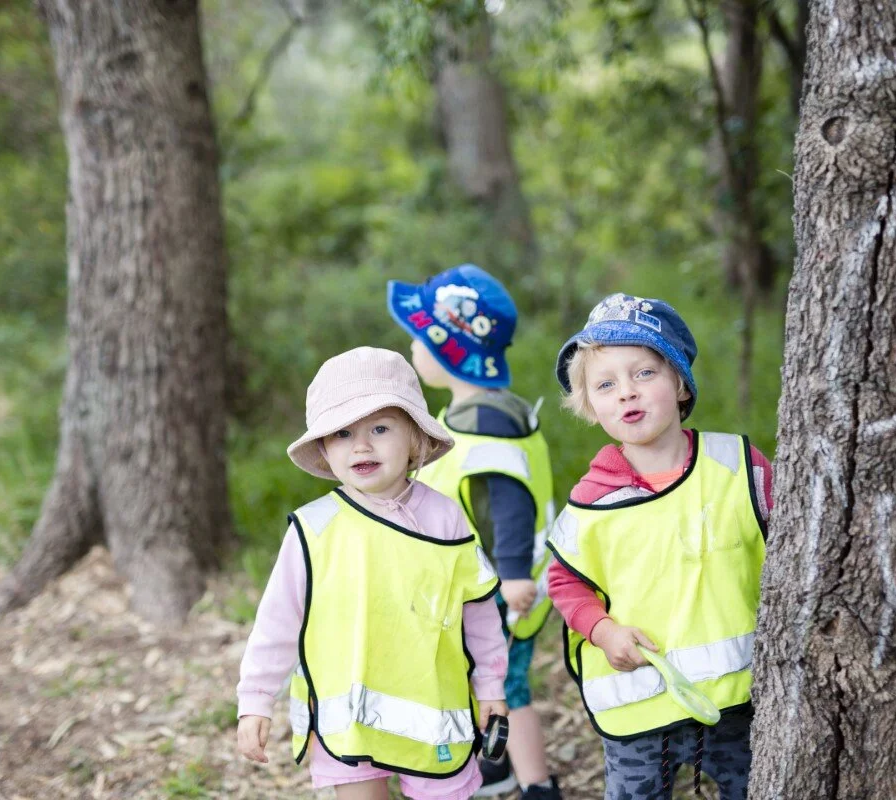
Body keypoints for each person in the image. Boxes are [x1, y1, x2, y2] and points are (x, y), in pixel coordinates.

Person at [236, 346, 509, 800]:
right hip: (348, 720)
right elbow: (278, 621)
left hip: (434, 711)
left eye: (380, 429)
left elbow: (479, 612)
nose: (361, 446)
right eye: (342, 433)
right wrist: (255, 700)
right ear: (324, 448)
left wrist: (490, 685)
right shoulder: (314, 528)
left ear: (415, 439)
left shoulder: (446, 519)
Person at [546, 293, 774, 800]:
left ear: (680, 383)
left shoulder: (737, 464)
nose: (627, 392)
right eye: (606, 384)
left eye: (644, 373)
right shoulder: (593, 500)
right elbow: (565, 582)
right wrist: (602, 631)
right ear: (590, 405)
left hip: (739, 696)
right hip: (640, 703)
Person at [388, 264, 561, 799]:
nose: (412, 347)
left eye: (420, 337)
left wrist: (513, 575)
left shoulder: (486, 423)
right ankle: (497, 766)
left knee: (506, 686)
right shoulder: (473, 412)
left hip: (503, 588)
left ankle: (537, 784)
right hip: (480, 583)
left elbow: (509, 505)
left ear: (449, 350)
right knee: (481, 679)